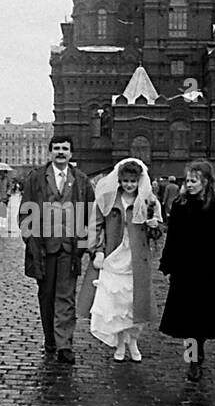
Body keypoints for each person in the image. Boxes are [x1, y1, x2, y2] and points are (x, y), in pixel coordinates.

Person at [19, 134, 96, 365]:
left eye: (65, 149)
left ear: (71, 153)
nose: (61, 152)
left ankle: (65, 344)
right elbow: (25, 213)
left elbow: (90, 216)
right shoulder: (37, 179)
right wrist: (31, 242)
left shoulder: (81, 181)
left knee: (66, 296)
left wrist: (82, 248)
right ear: (50, 152)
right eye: (57, 148)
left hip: (69, 249)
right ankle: (50, 338)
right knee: (46, 295)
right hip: (44, 248)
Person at [78, 158, 162, 363]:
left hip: (136, 257)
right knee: (116, 302)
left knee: (133, 302)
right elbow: (95, 226)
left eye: (133, 181)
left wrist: (153, 224)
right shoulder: (108, 199)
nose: (129, 185)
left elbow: (157, 232)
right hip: (113, 254)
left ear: (139, 181)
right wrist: (96, 251)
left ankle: (132, 340)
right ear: (119, 181)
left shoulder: (149, 201)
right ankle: (121, 342)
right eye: (125, 181)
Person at [159, 160, 215, 382]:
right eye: (187, 180)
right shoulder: (180, 206)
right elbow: (173, 238)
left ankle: (199, 346)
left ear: (206, 182)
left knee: (212, 313)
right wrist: (167, 264)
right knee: (189, 319)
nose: (189, 185)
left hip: (209, 270)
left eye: (194, 181)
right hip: (185, 270)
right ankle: (192, 360)